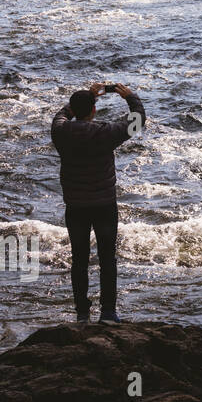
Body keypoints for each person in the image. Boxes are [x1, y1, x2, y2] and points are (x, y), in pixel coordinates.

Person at [50, 82, 146, 323]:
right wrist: (131, 98)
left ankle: (82, 313)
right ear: (94, 110)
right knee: (107, 258)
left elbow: (61, 115)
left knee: (79, 260)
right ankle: (108, 312)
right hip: (104, 204)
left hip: (75, 206)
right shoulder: (106, 132)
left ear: (74, 109)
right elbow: (138, 122)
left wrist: (86, 97)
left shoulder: (61, 132)